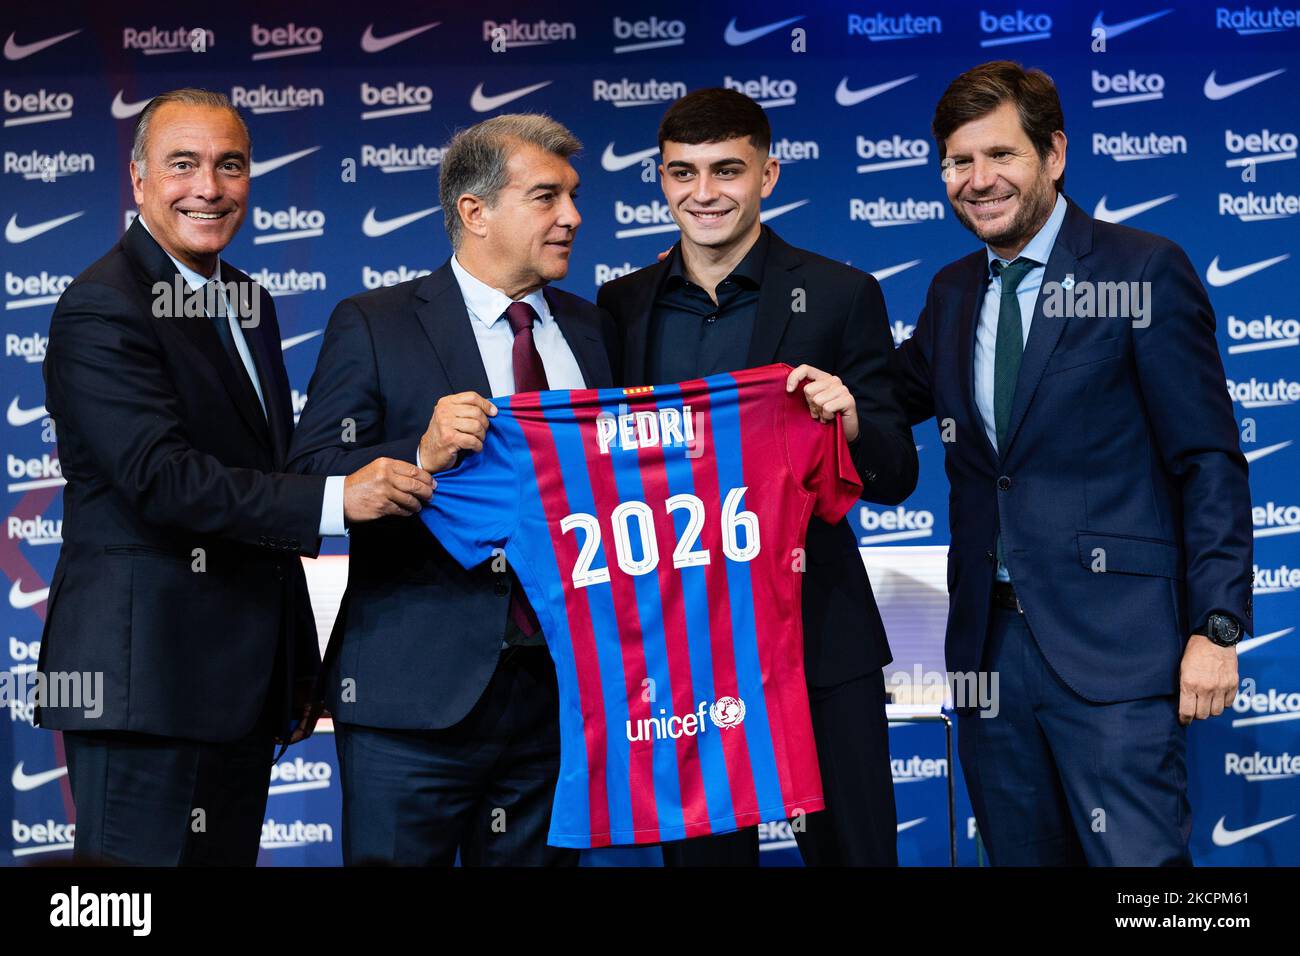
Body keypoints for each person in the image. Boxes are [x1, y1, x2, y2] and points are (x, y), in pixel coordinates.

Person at [37, 88, 428, 866]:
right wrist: (335, 499)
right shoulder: (100, 307)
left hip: (240, 688)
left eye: (230, 166)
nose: (208, 188)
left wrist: (296, 657)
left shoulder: (247, 299)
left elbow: (258, 475)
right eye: (183, 165)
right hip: (145, 688)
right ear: (140, 179)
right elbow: (162, 478)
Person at [894, 61, 1253, 865]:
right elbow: (889, 394)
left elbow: (1210, 460)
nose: (978, 180)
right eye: (958, 161)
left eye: (1001, 155)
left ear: (1054, 154)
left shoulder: (1142, 269)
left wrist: (1216, 627)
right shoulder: (953, 292)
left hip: (1116, 652)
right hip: (988, 658)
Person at [597, 88, 917, 866]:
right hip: (679, 650)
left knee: (855, 853)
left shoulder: (841, 295)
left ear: (769, 175)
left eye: (727, 171)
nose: (703, 194)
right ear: (661, 179)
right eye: (683, 172)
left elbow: (897, 474)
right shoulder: (616, 308)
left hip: (817, 633)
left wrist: (848, 422)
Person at [287, 114, 617, 866]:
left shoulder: (596, 332)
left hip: (559, 701)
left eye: (572, 196)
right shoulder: (375, 323)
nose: (571, 217)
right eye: (546, 197)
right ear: (475, 212)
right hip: (411, 706)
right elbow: (308, 477)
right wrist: (421, 453)